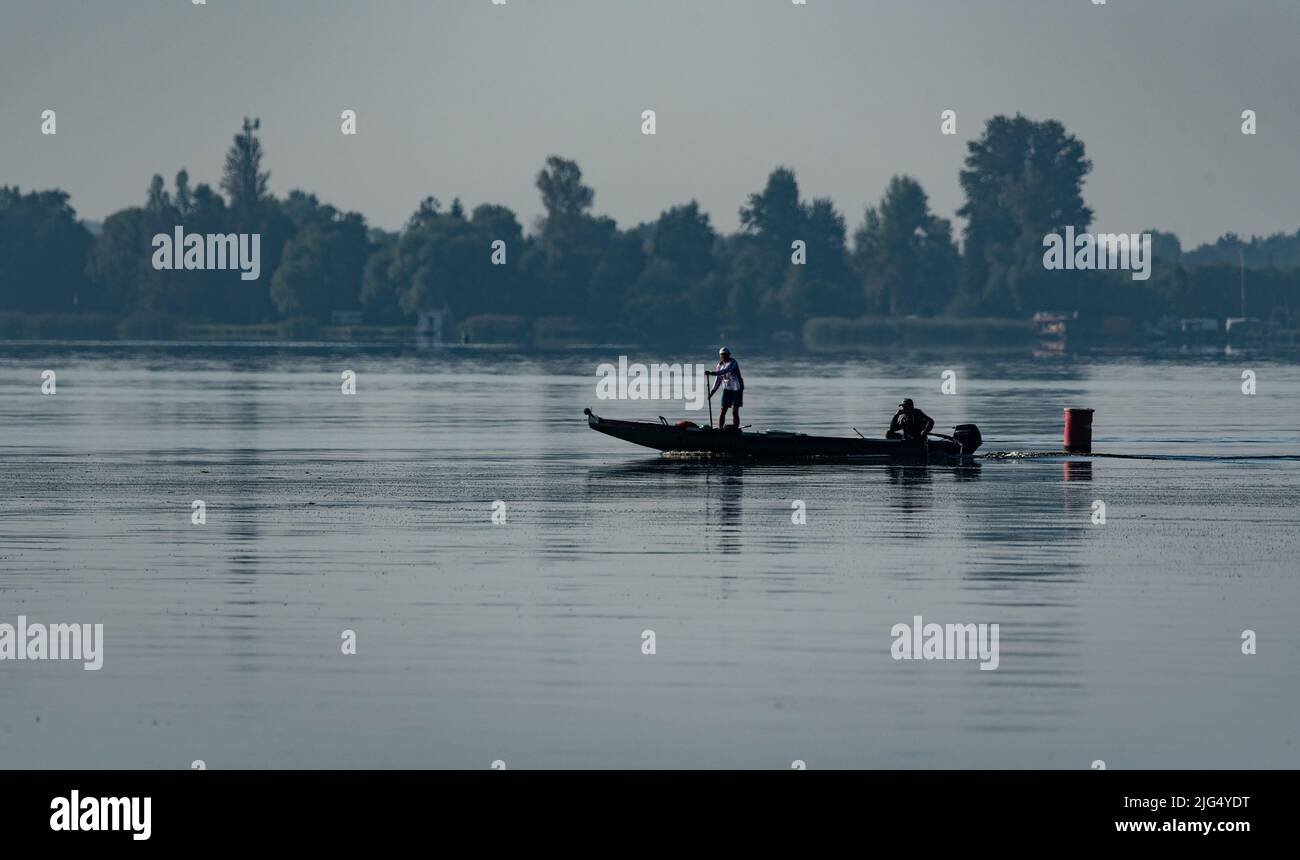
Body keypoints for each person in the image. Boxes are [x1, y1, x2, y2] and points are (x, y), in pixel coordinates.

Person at [706, 347, 744, 430]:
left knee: (734, 411)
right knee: (723, 410)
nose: (724, 356)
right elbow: (718, 380)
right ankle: (720, 429)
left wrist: (712, 373)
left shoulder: (733, 362)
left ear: (729, 355)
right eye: (722, 355)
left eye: (725, 355)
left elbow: (725, 371)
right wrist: (711, 393)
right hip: (727, 389)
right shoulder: (719, 365)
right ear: (720, 356)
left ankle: (735, 429)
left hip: (737, 389)